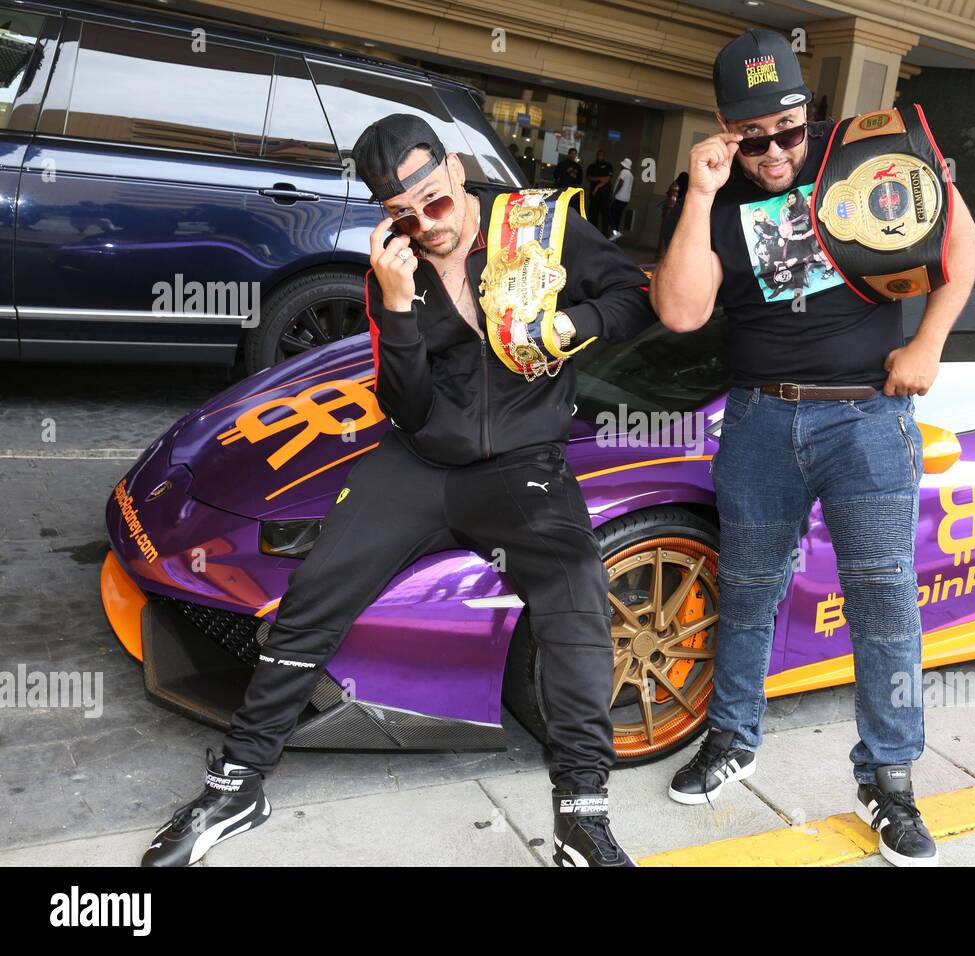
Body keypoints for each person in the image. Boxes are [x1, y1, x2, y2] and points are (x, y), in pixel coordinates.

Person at [142, 114, 657, 869]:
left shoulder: (536, 225)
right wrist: (394, 301)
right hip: (418, 460)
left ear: (454, 170)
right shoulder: (393, 263)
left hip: (522, 464)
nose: (428, 226)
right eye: (402, 215)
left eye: (437, 203)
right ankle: (237, 784)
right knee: (315, 593)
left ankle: (582, 814)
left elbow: (635, 299)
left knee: (576, 589)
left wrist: (566, 323)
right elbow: (406, 404)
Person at [650, 29, 975, 867]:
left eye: (788, 132)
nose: (773, 152)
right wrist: (699, 191)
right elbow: (683, 313)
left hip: (868, 420)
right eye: (751, 136)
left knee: (884, 607)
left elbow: (962, 248)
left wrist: (930, 344)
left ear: (811, 114)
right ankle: (732, 740)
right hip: (761, 420)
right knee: (752, 591)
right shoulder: (710, 191)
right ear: (725, 126)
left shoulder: (870, 153)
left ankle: (891, 781)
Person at [586, 149, 614, 235]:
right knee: (593, 215)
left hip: (604, 195)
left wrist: (597, 186)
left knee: (605, 215)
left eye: (601, 155)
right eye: (598, 155)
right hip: (594, 195)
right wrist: (600, 178)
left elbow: (607, 179)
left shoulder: (608, 165)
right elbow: (589, 177)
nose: (599, 156)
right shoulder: (592, 166)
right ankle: (592, 233)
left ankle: (604, 234)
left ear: (603, 156)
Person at [608, 158, 634, 240]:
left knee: (610, 213)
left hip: (619, 197)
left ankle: (616, 232)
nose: (620, 165)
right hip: (626, 199)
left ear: (623, 165)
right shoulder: (631, 175)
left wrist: (614, 194)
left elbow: (621, 183)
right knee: (617, 216)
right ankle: (615, 234)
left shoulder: (624, 172)